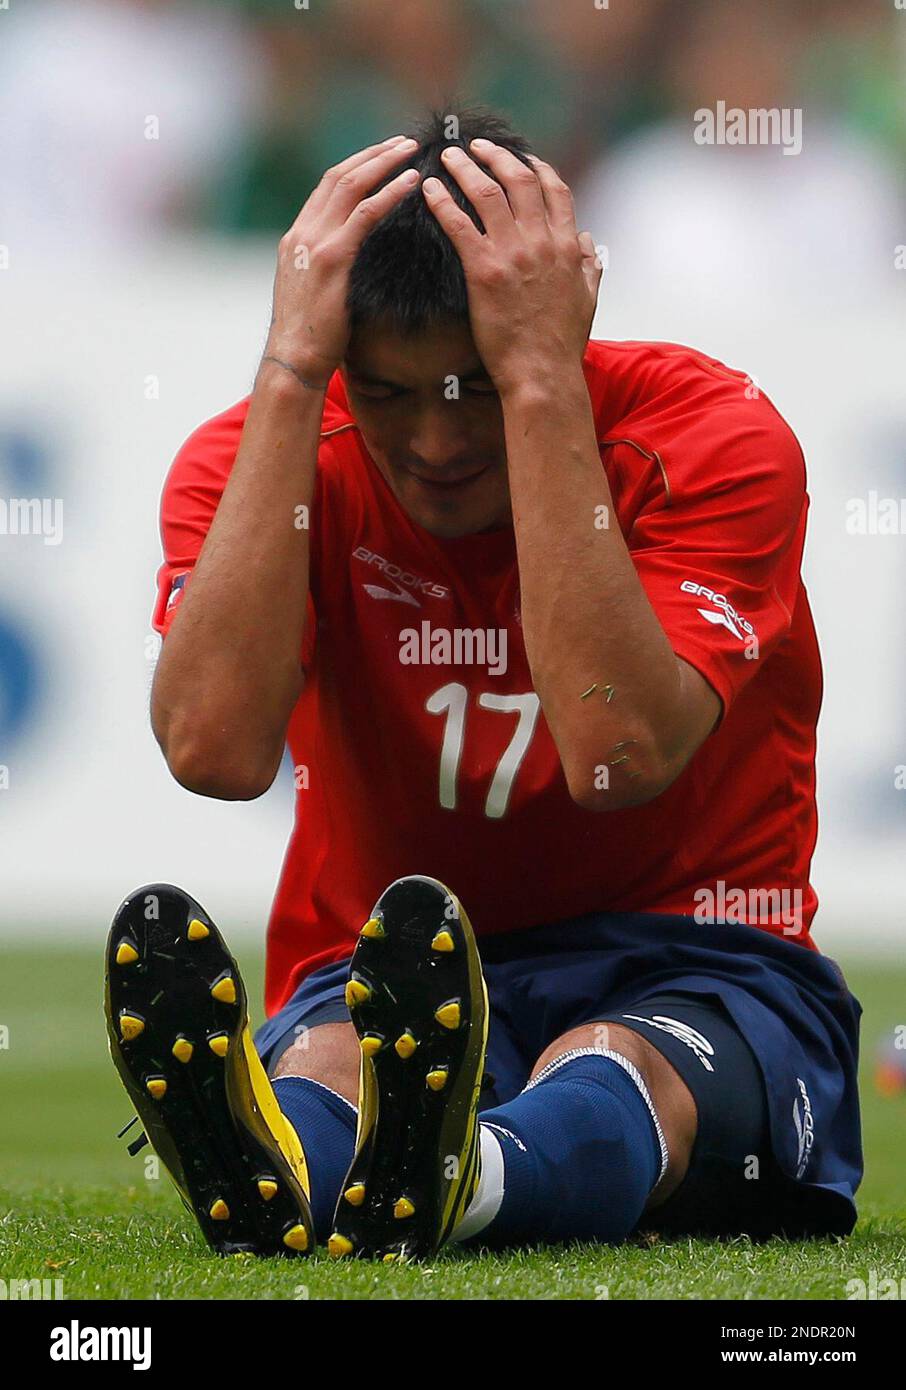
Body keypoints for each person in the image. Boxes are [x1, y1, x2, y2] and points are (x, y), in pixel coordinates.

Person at [105, 108, 861, 1262]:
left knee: (615, 1063)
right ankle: (292, 1165)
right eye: (388, 392)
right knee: (335, 1059)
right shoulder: (261, 457)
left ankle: (434, 1177)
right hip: (396, 962)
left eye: (472, 387)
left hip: (697, 952)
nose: (438, 442)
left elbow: (617, 755)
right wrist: (291, 368)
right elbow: (213, 751)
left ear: (555, 328)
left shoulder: (713, 435)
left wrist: (542, 384)